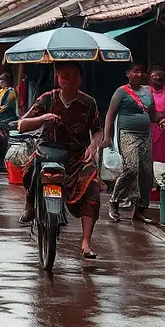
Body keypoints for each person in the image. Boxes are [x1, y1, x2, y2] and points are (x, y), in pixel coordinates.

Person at [18, 62, 105, 258]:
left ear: (79, 79)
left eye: (71, 75)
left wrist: (93, 146)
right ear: (57, 77)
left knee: (93, 186)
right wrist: (43, 118)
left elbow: (97, 130)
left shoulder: (89, 102)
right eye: (62, 75)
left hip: (77, 155)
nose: (66, 79)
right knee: (31, 168)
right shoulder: (46, 99)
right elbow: (22, 124)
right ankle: (29, 204)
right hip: (48, 150)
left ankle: (86, 242)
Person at [103, 61, 157, 224]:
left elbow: (153, 114)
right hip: (128, 134)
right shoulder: (121, 92)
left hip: (145, 135)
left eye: (141, 72)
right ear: (128, 73)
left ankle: (140, 209)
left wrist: (163, 120)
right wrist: (107, 136)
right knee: (132, 168)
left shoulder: (148, 91)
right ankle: (115, 201)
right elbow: (110, 115)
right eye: (135, 71)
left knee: (147, 173)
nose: (139, 74)